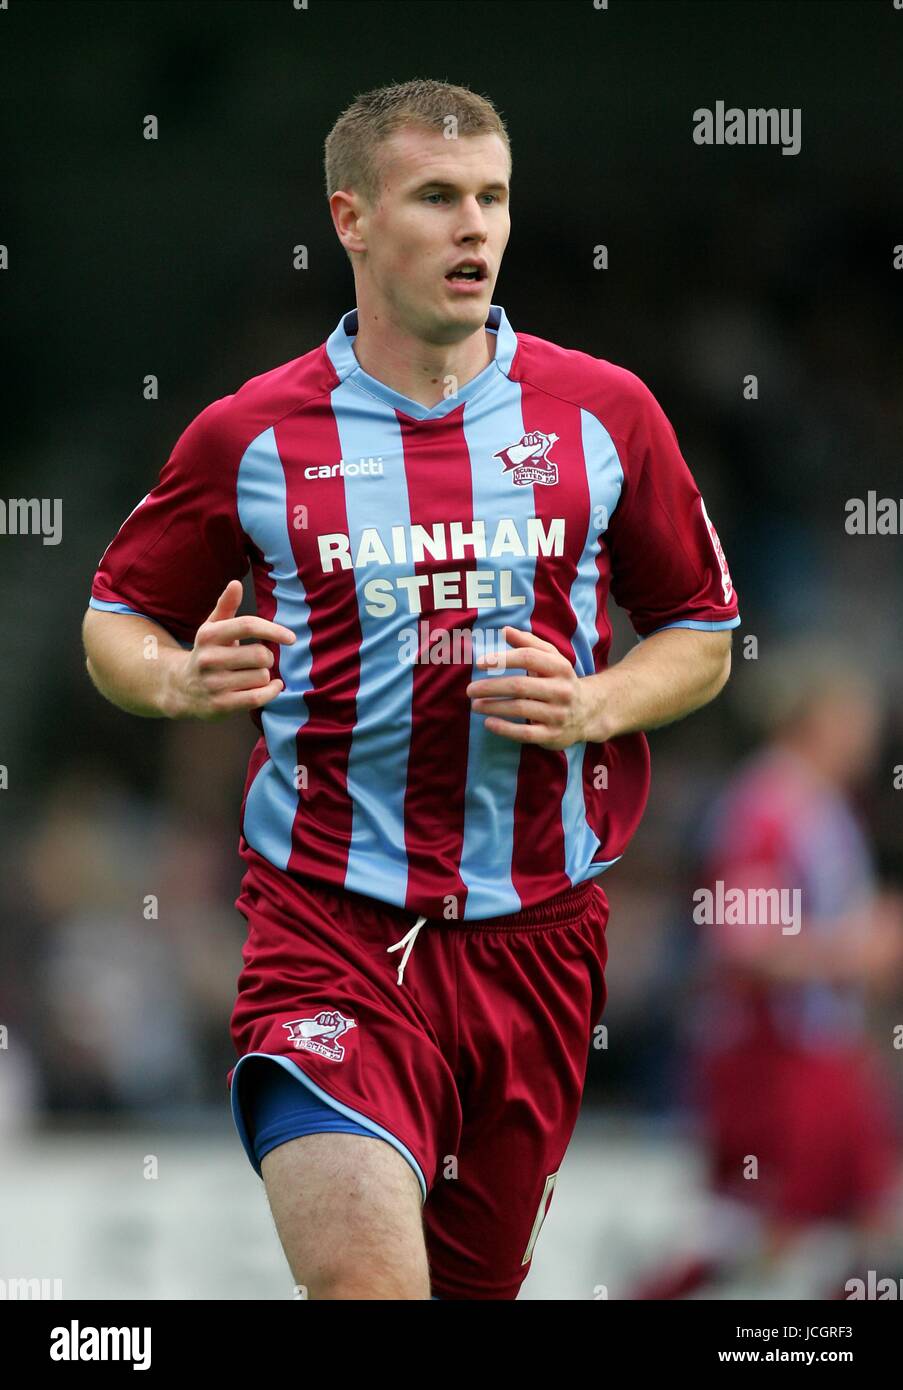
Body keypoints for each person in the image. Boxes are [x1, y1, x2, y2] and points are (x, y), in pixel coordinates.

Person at [81, 78, 740, 1300]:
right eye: (437, 198)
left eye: (492, 197)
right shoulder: (253, 435)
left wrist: (598, 703)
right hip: (329, 929)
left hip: (540, 945)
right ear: (352, 219)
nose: (475, 227)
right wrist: (175, 681)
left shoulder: (605, 413)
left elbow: (702, 630)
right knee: (368, 1288)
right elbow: (117, 616)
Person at [632, 643, 903, 1299]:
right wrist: (858, 946)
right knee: (759, 1230)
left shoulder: (823, 805)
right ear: (814, 717)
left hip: (820, 1051)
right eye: (853, 717)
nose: (866, 735)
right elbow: (742, 943)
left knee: (866, 1223)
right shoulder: (762, 809)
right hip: (770, 1055)